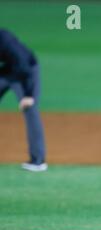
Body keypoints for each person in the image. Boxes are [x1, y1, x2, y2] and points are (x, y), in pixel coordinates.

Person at [0, 29, 47, 172]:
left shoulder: (4, 39)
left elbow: (24, 65)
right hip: (9, 70)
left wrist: (29, 95)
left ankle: (38, 161)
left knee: (30, 109)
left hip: (26, 72)